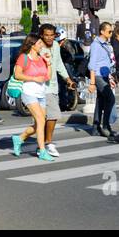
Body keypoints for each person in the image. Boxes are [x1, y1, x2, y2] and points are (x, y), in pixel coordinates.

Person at [11, 35, 56, 162]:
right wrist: (34, 78)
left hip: (41, 94)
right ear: (32, 45)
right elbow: (17, 74)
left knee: (39, 124)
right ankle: (42, 151)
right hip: (29, 93)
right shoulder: (24, 58)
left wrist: (49, 63)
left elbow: (47, 77)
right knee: (41, 120)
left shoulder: (41, 58)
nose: (42, 45)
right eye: (39, 43)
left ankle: (19, 138)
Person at [34, 23, 75, 155]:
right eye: (46, 35)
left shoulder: (56, 46)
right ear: (41, 35)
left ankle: (34, 142)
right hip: (41, 87)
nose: (50, 38)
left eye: (52, 35)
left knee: (43, 119)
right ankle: (48, 143)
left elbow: (59, 64)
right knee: (53, 115)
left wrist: (67, 79)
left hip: (53, 86)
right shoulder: (38, 47)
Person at [87, 20, 117, 137]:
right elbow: (92, 65)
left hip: (104, 76)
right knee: (110, 99)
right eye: (109, 31)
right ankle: (106, 126)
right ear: (102, 31)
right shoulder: (96, 45)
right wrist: (92, 83)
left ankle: (95, 127)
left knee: (100, 101)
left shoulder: (105, 45)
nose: (111, 33)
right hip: (98, 76)